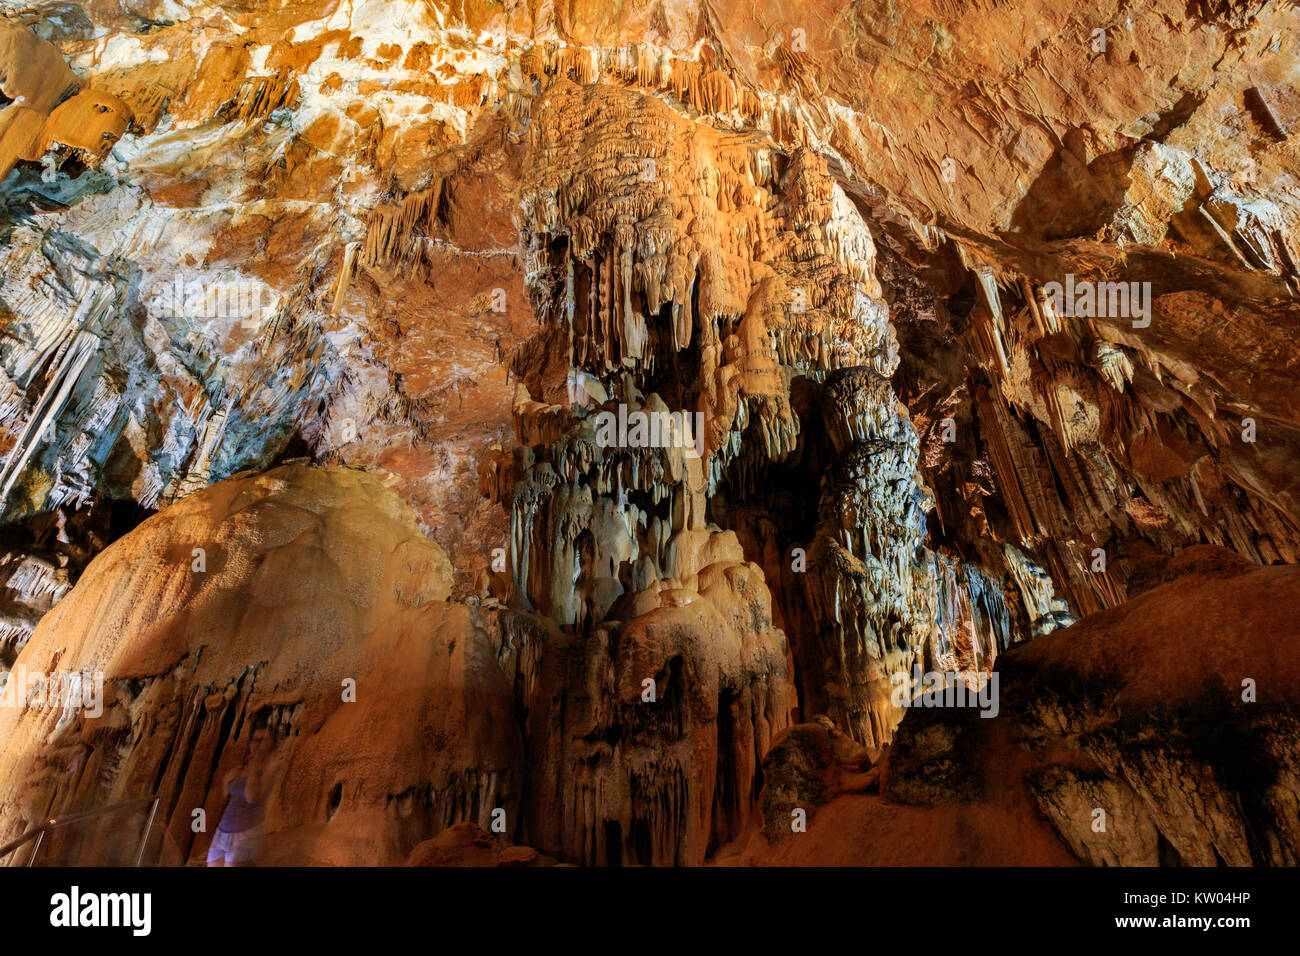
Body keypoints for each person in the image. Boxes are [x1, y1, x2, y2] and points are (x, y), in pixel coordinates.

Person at [205, 723, 281, 866]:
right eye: (254, 740)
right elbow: (226, 796)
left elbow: (251, 797)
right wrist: (225, 781)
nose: (257, 744)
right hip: (223, 830)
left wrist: (255, 764)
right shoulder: (242, 767)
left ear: (271, 743)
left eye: (262, 740)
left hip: (246, 832)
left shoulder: (271, 767)